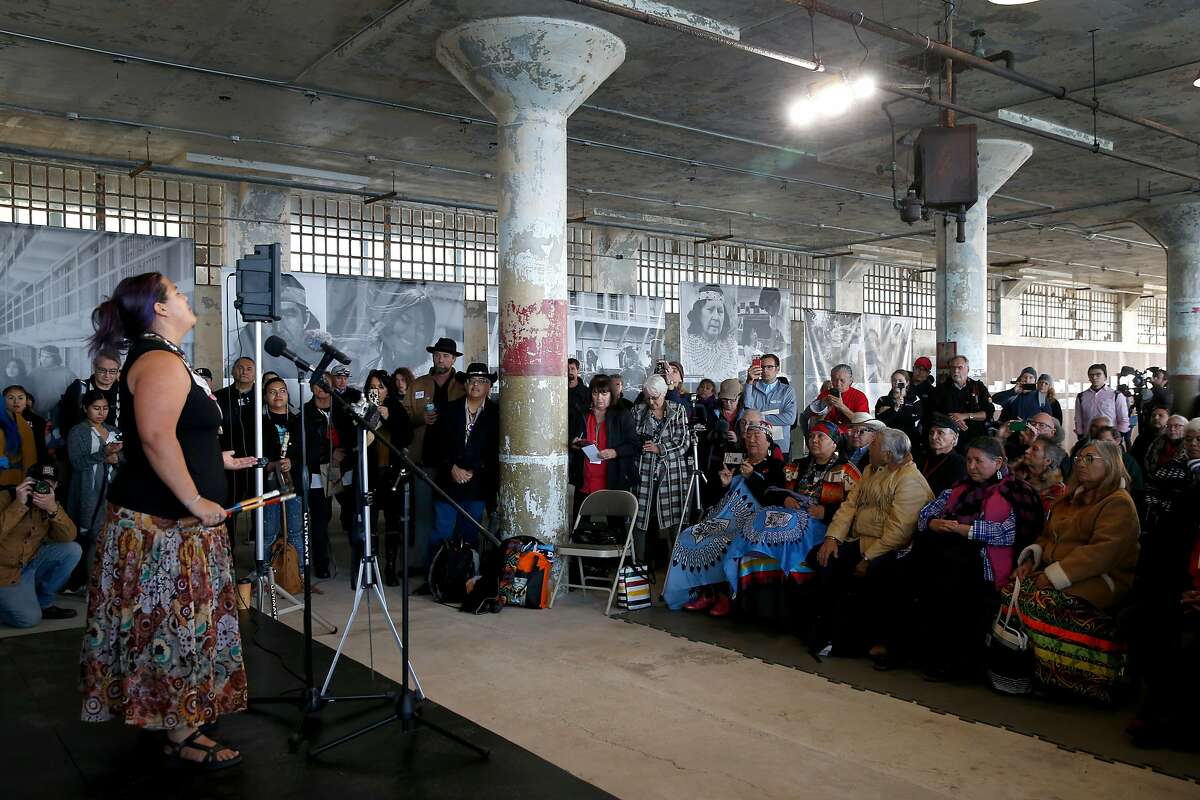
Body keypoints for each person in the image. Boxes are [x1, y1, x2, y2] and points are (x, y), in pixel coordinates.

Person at [80, 271, 257, 768]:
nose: (184, 296)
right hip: (163, 527)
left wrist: (212, 461)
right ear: (159, 308)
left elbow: (168, 435)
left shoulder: (164, 356)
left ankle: (180, 716)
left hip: (175, 523)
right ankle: (179, 730)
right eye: (176, 292)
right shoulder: (157, 359)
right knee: (171, 627)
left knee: (178, 626)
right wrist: (197, 499)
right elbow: (156, 439)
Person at [883, 438, 1044, 677]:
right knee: (899, 570)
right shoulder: (960, 487)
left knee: (949, 580)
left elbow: (1007, 533)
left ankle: (949, 661)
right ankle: (906, 649)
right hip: (947, 551)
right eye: (968, 460)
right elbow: (926, 513)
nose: (971, 466)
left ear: (998, 462)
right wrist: (933, 522)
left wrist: (965, 529)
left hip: (983, 559)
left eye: (979, 461)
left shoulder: (1016, 491)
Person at [1009, 441, 1140, 702]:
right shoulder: (1069, 497)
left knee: (1041, 601)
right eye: (1079, 458)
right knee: (1010, 591)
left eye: (1090, 459)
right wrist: (1030, 561)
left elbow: (1100, 554)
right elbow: (1048, 537)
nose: (1081, 463)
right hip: (1061, 571)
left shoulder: (1118, 502)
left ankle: (1067, 680)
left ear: (1110, 465)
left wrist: (1053, 576)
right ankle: (1027, 672)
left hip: (1101, 580)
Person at [808, 429, 934, 654]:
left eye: (874, 445)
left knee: (874, 574)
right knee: (822, 557)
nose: (869, 448)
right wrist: (832, 537)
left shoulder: (911, 481)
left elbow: (899, 533)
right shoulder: (870, 469)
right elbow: (849, 506)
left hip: (888, 549)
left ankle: (854, 642)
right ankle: (825, 632)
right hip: (860, 539)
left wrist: (867, 558)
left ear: (887, 454)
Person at [665, 422, 784, 615]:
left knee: (723, 541)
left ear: (769, 442)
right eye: (749, 435)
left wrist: (752, 477)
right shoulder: (735, 460)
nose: (752, 440)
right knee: (690, 535)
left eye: (757, 436)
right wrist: (722, 484)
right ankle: (704, 592)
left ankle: (724, 596)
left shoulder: (776, 467)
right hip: (724, 517)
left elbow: (775, 497)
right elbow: (710, 498)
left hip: (752, 522)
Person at [425, 363, 499, 569]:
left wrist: (474, 470)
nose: (476, 385)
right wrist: (451, 468)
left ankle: (467, 578)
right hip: (447, 482)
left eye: (482, 381)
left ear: (489, 387)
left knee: (470, 533)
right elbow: (435, 445)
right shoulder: (448, 410)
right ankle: (434, 578)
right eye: (472, 380)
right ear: (465, 384)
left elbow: (495, 451)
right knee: (441, 532)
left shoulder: (496, 414)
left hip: (477, 484)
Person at [0, 462, 79, 628]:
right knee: (29, 619)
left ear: (55, 486)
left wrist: (52, 509)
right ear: (27, 481)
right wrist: (19, 505)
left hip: (28, 564)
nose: (41, 488)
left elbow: (69, 536)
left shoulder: (50, 503)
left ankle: (44, 603)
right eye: (37, 482)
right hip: (4, 572)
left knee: (72, 550)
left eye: (48, 484)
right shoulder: (6, 497)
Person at [631, 375, 691, 566]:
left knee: (675, 519)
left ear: (665, 393)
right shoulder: (637, 411)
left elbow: (683, 443)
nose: (651, 402)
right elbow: (630, 439)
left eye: (655, 397)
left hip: (671, 474)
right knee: (639, 519)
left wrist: (660, 449)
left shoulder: (678, 410)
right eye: (647, 397)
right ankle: (638, 566)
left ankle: (678, 567)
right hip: (644, 471)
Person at [65, 390, 122, 589]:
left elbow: (125, 459)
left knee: (111, 537)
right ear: (85, 408)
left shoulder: (113, 430)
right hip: (89, 490)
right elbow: (77, 463)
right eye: (96, 408)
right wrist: (104, 454)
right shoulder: (78, 432)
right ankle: (91, 586)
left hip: (112, 491)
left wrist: (116, 458)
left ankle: (108, 584)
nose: (101, 412)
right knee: (93, 537)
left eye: (105, 408)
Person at [361, 369, 413, 586]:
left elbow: (406, 437)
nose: (377, 391)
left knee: (392, 523)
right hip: (369, 474)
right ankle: (369, 568)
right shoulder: (361, 408)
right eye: (372, 387)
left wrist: (388, 417)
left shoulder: (395, 408)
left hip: (392, 475)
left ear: (388, 390)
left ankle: (390, 567)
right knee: (369, 523)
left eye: (381, 387)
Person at [568, 374, 639, 514]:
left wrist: (615, 452)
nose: (599, 398)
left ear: (611, 394)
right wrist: (574, 443)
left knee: (614, 529)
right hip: (585, 481)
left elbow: (634, 445)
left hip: (613, 481)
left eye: (604, 393)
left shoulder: (622, 414)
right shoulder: (582, 413)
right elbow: (571, 436)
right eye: (595, 393)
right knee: (581, 527)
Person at [259, 376, 304, 571]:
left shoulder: (298, 420)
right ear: (265, 396)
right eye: (272, 391)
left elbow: (309, 451)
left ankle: (299, 572)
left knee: (295, 530)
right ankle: (266, 573)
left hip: (293, 483)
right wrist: (271, 465)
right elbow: (252, 452)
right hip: (269, 484)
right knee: (268, 531)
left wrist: (292, 462)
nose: (278, 395)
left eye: (282, 391)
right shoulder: (258, 422)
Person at [213, 356, 257, 555]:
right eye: (240, 368)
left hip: (257, 462)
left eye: (249, 368)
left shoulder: (263, 396)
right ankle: (227, 553)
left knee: (260, 508)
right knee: (230, 509)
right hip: (229, 462)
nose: (244, 372)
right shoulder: (220, 397)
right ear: (232, 371)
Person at [302, 378, 337, 580]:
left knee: (352, 515)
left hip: (343, 469)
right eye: (318, 383)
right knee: (320, 519)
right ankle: (321, 562)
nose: (322, 387)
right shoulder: (305, 413)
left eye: (326, 383)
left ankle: (359, 561)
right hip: (317, 472)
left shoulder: (342, 410)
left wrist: (342, 452)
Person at [929, 355, 992, 450]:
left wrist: (965, 416)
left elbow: (987, 413)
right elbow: (932, 412)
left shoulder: (978, 387)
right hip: (948, 443)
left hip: (975, 440)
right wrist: (952, 419)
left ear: (967, 369)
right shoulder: (941, 389)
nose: (956, 371)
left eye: (959, 367)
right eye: (953, 368)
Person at [742, 353, 797, 456]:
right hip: (757, 445)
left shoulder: (787, 390)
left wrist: (760, 418)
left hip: (780, 445)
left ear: (777, 369)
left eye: (769, 367)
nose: (765, 370)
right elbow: (747, 410)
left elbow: (790, 418)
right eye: (762, 367)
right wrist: (749, 381)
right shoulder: (751, 388)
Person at [681, 284, 739, 381]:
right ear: (698, 314)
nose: (716, 317)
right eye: (710, 310)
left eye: (720, 311)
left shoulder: (731, 346)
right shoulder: (687, 346)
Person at [1142, 414, 1189, 534]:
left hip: (1173, 491)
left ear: (1186, 428)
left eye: (1177, 426)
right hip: (1153, 482)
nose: (1172, 429)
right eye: (1169, 426)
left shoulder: (1189, 447)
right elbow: (1148, 461)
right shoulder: (1158, 442)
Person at [58, 350, 122, 434]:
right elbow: (65, 422)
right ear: (94, 367)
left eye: (113, 371)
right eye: (102, 370)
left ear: (118, 371)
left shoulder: (124, 391)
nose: (107, 375)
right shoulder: (79, 388)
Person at [0, 385, 46, 488]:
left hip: (29, 472)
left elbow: (40, 449)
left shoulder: (37, 421)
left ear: (26, 401)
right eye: (11, 398)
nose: (16, 401)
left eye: (20, 398)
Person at [807, 364, 869, 433]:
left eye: (842, 380)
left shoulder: (859, 397)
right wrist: (825, 410)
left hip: (851, 435)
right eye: (835, 380)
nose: (838, 384)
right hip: (828, 436)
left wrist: (842, 407)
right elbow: (814, 423)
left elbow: (864, 424)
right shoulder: (824, 395)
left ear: (851, 381)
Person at [1075, 363, 1130, 439]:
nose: (1094, 377)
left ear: (1105, 377)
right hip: (1089, 438)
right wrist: (1080, 434)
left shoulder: (1116, 395)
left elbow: (1123, 419)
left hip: (1109, 438)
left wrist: (1119, 436)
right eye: (1091, 375)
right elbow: (1078, 419)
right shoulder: (1081, 396)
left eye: (1098, 374)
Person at [1013, 437, 1068, 513]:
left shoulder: (1057, 491)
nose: (1027, 451)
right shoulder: (1013, 475)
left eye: (1035, 449)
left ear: (1047, 460)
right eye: (1029, 447)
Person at [919, 414, 968, 497]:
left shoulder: (959, 464)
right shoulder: (920, 457)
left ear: (954, 438)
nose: (934, 437)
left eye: (940, 433)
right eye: (931, 433)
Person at [875, 369, 922, 447]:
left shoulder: (914, 399)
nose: (897, 383)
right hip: (888, 441)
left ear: (907, 383)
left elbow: (914, 423)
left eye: (900, 380)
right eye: (894, 380)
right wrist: (894, 409)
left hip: (910, 441)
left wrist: (889, 412)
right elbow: (880, 422)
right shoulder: (883, 400)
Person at [25, 345, 75, 418]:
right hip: (38, 412)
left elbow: (79, 389)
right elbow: (28, 392)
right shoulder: (34, 373)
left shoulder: (66, 373)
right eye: (42, 356)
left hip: (59, 414)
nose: (43, 359)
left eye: (47, 357)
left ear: (55, 358)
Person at [1094, 426, 1144, 493]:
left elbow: (1138, 488)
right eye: (1100, 442)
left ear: (1117, 441)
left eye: (1107, 441)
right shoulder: (1095, 460)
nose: (1103, 445)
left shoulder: (1128, 461)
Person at [1131, 402, 1169, 473]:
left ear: (1168, 419)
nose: (1156, 418)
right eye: (1153, 415)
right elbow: (1133, 456)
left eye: (1160, 415)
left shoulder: (1170, 439)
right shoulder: (1143, 436)